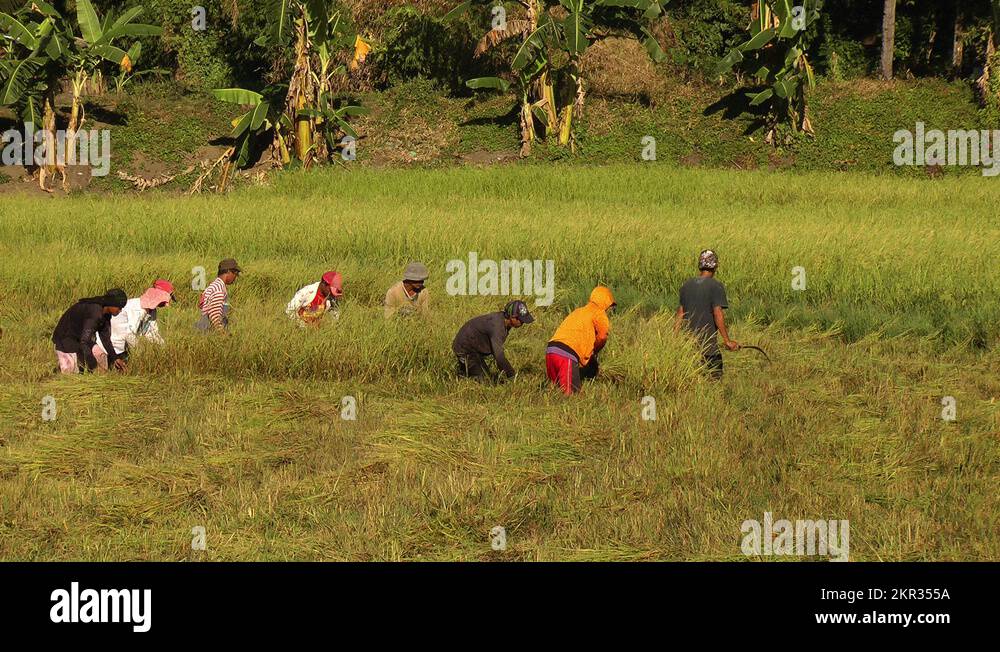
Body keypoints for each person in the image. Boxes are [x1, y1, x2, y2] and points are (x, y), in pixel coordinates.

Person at [674, 249, 739, 379]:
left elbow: (680, 314)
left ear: (700, 265)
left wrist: (674, 339)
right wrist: (727, 341)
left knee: (692, 380)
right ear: (715, 266)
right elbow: (717, 313)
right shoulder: (715, 286)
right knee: (714, 381)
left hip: (688, 346)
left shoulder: (686, 285)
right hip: (709, 348)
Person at [545, 286, 615, 395]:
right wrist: (594, 350)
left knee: (554, 393)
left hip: (551, 351)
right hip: (566, 355)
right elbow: (602, 336)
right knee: (571, 397)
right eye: (610, 305)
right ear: (606, 302)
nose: (609, 308)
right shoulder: (599, 313)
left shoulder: (579, 311)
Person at [94, 280, 175, 370]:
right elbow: (129, 335)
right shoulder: (131, 308)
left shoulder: (151, 311)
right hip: (107, 347)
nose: (166, 304)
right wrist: (141, 353)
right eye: (165, 299)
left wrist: (165, 350)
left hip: (122, 351)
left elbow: (152, 333)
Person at [452, 300, 534, 382]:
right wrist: (512, 376)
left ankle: (465, 372)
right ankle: (463, 374)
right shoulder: (497, 327)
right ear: (512, 317)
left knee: (482, 374)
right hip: (465, 349)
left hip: (474, 348)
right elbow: (499, 357)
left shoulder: (503, 321)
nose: (522, 322)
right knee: (485, 379)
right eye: (521, 320)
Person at [51, 289, 128, 374]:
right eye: (119, 307)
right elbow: (84, 342)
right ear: (111, 303)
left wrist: (115, 358)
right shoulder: (95, 313)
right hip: (65, 337)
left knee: (100, 356)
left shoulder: (106, 314)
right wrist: (92, 365)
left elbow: (105, 339)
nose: (120, 311)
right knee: (71, 371)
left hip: (80, 337)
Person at [197, 258, 240, 333]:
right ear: (229, 271)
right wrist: (221, 333)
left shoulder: (213, 286)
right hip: (209, 330)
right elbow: (214, 314)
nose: (235, 277)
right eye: (235, 274)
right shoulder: (219, 289)